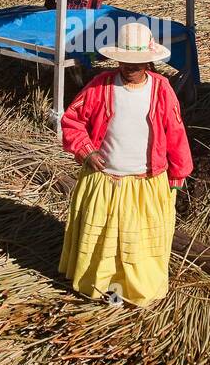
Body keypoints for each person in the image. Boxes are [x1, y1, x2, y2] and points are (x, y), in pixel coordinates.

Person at [59, 22, 193, 306]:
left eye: (137, 62)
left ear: (148, 61)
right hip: (105, 179)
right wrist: (87, 151)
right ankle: (102, 287)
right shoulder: (101, 86)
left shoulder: (161, 89)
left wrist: (179, 172)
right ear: (117, 58)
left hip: (147, 181)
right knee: (103, 241)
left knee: (140, 244)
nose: (129, 67)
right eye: (125, 61)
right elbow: (72, 121)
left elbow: (175, 131)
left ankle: (136, 290)